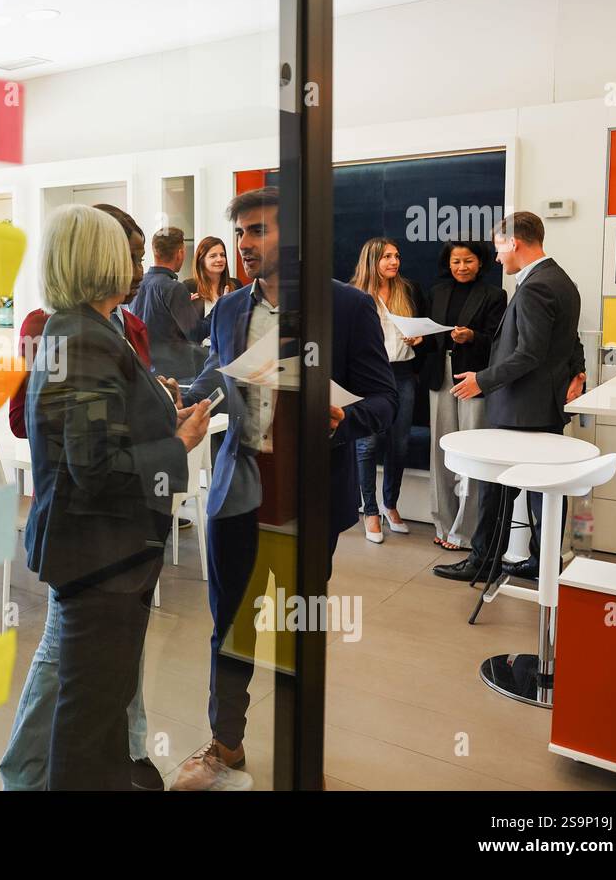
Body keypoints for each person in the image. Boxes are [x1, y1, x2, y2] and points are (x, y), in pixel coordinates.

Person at [170, 186, 396, 790]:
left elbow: (385, 400)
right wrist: (183, 394)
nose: (245, 245)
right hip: (238, 493)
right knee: (231, 625)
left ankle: (302, 751)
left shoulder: (345, 309)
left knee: (300, 627)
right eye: (240, 233)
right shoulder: (228, 310)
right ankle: (225, 744)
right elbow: (218, 371)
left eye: (259, 231)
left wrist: (347, 417)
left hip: (307, 499)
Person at [16, 204, 210, 790]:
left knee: (97, 707)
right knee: (90, 717)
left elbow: (101, 434)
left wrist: (158, 414)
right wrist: (177, 443)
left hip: (104, 553)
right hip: (100, 556)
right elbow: (96, 466)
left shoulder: (90, 329)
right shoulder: (81, 335)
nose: (133, 261)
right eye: (122, 251)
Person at [434, 212, 587, 583]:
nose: (497, 256)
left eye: (499, 247)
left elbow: (529, 353)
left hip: (523, 408)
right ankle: (542, 560)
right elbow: (566, 339)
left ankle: (483, 561)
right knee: (541, 492)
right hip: (540, 405)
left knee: (496, 488)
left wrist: (482, 381)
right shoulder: (559, 279)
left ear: (514, 242)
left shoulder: (536, 285)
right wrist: (578, 369)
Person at [8, 204, 153, 440]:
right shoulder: (42, 326)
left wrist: (157, 397)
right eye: (127, 260)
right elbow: (21, 421)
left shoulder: (135, 327)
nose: (138, 273)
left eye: (140, 260)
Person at [421, 239, 507, 552]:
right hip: (440, 373)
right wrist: (420, 338)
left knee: (471, 451)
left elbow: (499, 342)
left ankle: (467, 530)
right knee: (440, 450)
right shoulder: (438, 292)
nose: (461, 267)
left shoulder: (495, 295)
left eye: (468, 261)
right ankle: (443, 524)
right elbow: (432, 335)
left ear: (480, 262)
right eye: (456, 261)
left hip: (473, 377)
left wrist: (472, 336)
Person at [348, 237, 426, 544]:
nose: (394, 262)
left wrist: (418, 339)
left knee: (400, 443)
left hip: (404, 374)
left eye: (396, 256)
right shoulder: (353, 293)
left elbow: (419, 327)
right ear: (372, 260)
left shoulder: (406, 289)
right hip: (369, 377)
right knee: (366, 445)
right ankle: (369, 511)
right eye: (387, 257)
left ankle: (390, 505)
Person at [130, 226, 211, 381]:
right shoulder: (174, 288)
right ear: (180, 253)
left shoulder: (138, 283)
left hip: (147, 371)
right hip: (176, 375)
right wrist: (220, 307)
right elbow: (196, 334)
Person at [184, 235, 239, 316]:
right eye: (213, 256)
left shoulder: (236, 285)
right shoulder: (189, 287)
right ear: (201, 260)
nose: (219, 259)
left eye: (222, 255)